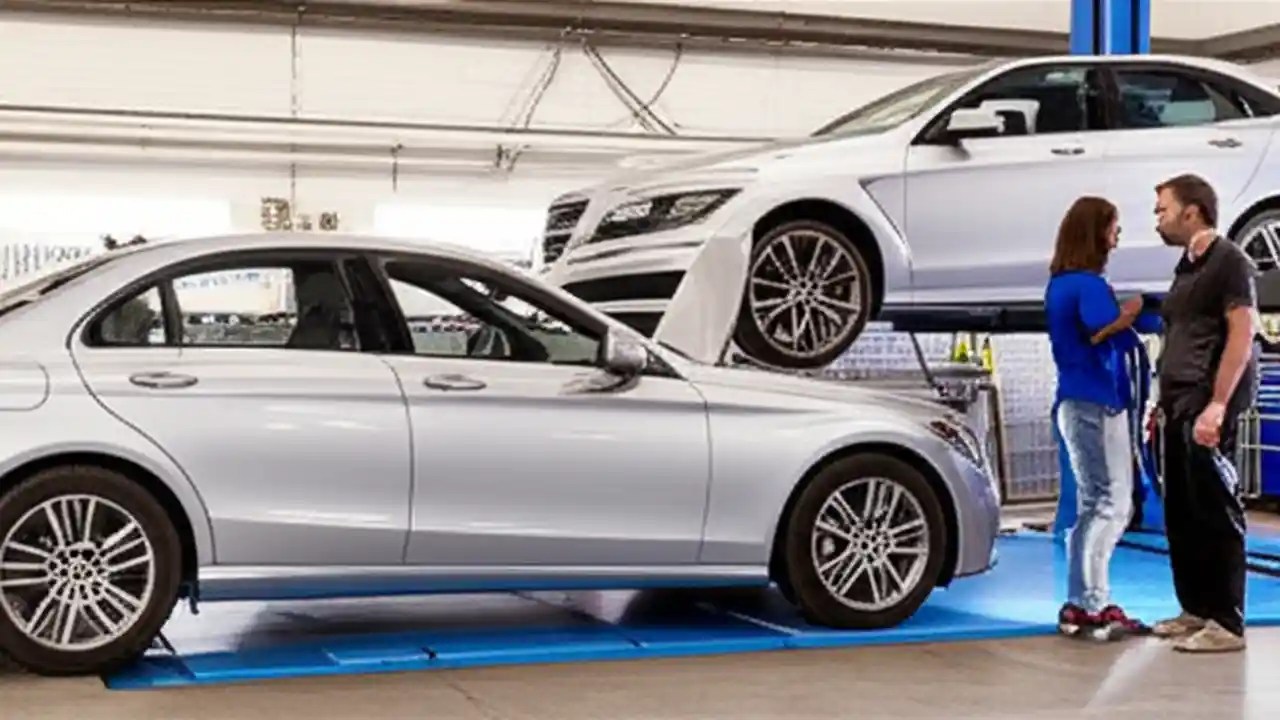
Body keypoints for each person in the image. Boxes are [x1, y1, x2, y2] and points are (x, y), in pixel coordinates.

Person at [1148, 173, 1257, 653]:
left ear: (1191, 211)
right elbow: (1178, 335)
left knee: (1215, 509)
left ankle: (1227, 621)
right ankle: (1195, 607)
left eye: (1162, 209)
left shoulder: (1231, 263)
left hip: (1206, 402)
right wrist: (1159, 399)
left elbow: (1242, 333)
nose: (1157, 219)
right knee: (1182, 511)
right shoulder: (1186, 267)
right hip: (1176, 402)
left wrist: (1217, 405)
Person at [1045, 196, 1161, 641]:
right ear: (1096, 231)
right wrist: (1129, 312)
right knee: (1111, 504)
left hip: (1076, 402)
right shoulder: (1088, 285)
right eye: (1114, 227)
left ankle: (1083, 601)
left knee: (1095, 503)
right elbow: (1099, 329)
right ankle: (1091, 604)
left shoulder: (1060, 284)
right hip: (1096, 403)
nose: (1118, 235)